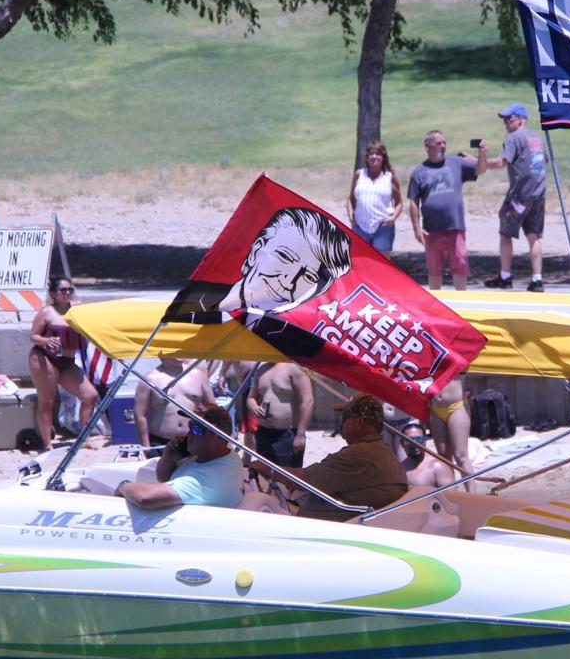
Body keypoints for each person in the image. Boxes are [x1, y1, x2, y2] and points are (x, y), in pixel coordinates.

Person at [169, 208, 353, 359]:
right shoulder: (189, 306)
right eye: (284, 257)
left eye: (309, 276)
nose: (288, 281)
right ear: (257, 249)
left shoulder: (297, 343)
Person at [252, 394, 407, 522]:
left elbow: (303, 481)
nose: (341, 424)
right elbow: (320, 478)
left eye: (345, 418)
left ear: (359, 423)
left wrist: (267, 468)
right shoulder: (382, 451)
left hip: (323, 534)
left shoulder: (358, 455)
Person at [116, 403, 243, 510]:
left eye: (197, 429)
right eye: (190, 426)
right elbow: (163, 478)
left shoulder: (204, 479)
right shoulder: (222, 453)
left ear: (219, 437)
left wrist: (123, 485)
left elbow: (145, 498)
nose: (189, 433)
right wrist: (169, 457)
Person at [479, 103, 548, 292]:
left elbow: (502, 162)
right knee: (534, 235)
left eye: (508, 119)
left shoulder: (513, 139)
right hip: (539, 194)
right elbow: (544, 162)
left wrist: (479, 161)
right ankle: (537, 280)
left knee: (505, 233)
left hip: (520, 196)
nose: (506, 123)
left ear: (520, 119)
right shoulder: (538, 138)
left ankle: (505, 276)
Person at [407, 130, 487, 290]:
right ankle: (436, 306)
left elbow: (480, 170)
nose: (442, 146)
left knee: (460, 265)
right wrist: (417, 228)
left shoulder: (456, 163)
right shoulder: (419, 172)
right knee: (434, 270)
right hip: (431, 230)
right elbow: (413, 202)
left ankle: (461, 304)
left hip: (455, 227)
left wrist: (482, 154)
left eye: (444, 143)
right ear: (427, 146)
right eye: (438, 143)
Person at [28, 276, 99, 450]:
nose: (67, 293)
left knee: (90, 396)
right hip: (44, 358)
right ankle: (47, 444)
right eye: (63, 290)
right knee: (47, 402)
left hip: (67, 361)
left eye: (70, 290)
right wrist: (46, 341)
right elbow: (33, 336)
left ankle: (84, 438)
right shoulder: (47, 312)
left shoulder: (77, 309)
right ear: (53, 294)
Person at [134, 358, 216, 447]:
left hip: (193, 440)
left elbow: (214, 410)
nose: (178, 353)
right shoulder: (149, 378)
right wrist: (146, 447)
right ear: (161, 353)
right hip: (161, 441)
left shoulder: (199, 375)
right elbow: (140, 415)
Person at [246, 362, 313, 467]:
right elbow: (251, 398)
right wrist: (254, 407)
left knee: (286, 478)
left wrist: (301, 434)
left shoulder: (294, 368)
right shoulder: (262, 369)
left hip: (287, 434)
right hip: (264, 432)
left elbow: (307, 401)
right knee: (266, 474)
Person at [348, 141, 403, 258]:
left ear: (383, 158)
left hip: (382, 227)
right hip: (360, 227)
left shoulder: (390, 177)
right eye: (371, 154)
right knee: (360, 263)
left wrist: (393, 218)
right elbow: (351, 199)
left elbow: (399, 203)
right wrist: (350, 215)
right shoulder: (359, 174)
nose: (374, 157)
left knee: (382, 264)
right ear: (367, 157)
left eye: (378, 154)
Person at [427, 376, 474, 491]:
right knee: (443, 456)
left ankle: (472, 494)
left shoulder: (458, 357)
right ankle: (451, 493)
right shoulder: (430, 358)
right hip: (435, 407)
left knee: (460, 455)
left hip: (456, 406)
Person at [398, 420, 454, 488]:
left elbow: (451, 496)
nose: (415, 443)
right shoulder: (399, 469)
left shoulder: (438, 467)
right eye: (409, 440)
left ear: (425, 440)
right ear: (402, 443)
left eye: (419, 439)